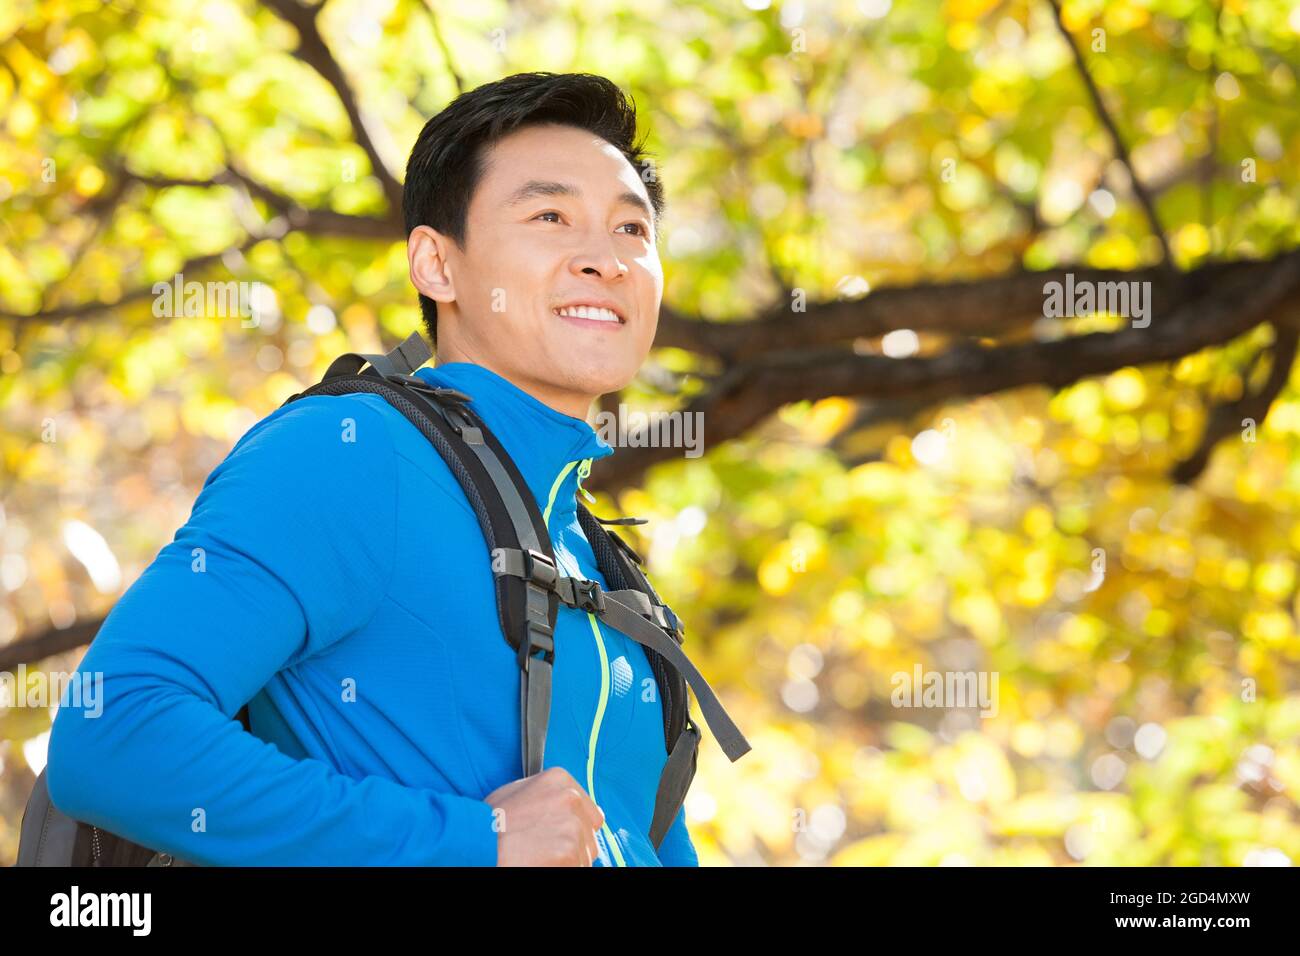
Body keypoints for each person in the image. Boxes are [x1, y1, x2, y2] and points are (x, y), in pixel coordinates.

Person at [46, 71, 696, 866]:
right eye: (551, 216)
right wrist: (472, 841)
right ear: (437, 265)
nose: (606, 259)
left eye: (632, 230)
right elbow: (112, 729)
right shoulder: (352, 454)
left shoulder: (607, 567)